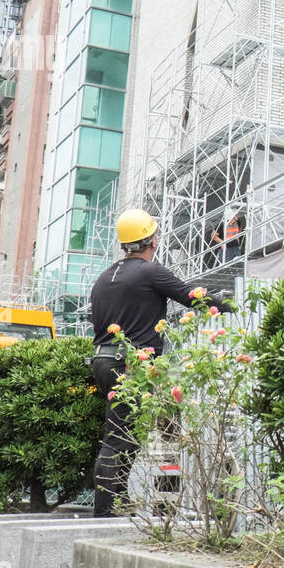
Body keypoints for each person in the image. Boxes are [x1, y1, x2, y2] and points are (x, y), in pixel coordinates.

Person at [88, 208, 227, 517]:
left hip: (104, 361)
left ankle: (119, 503)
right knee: (122, 438)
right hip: (132, 365)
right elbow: (191, 296)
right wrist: (228, 302)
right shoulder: (150, 272)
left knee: (126, 434)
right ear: (151, 240)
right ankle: (107, 512)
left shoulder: (103, 278)